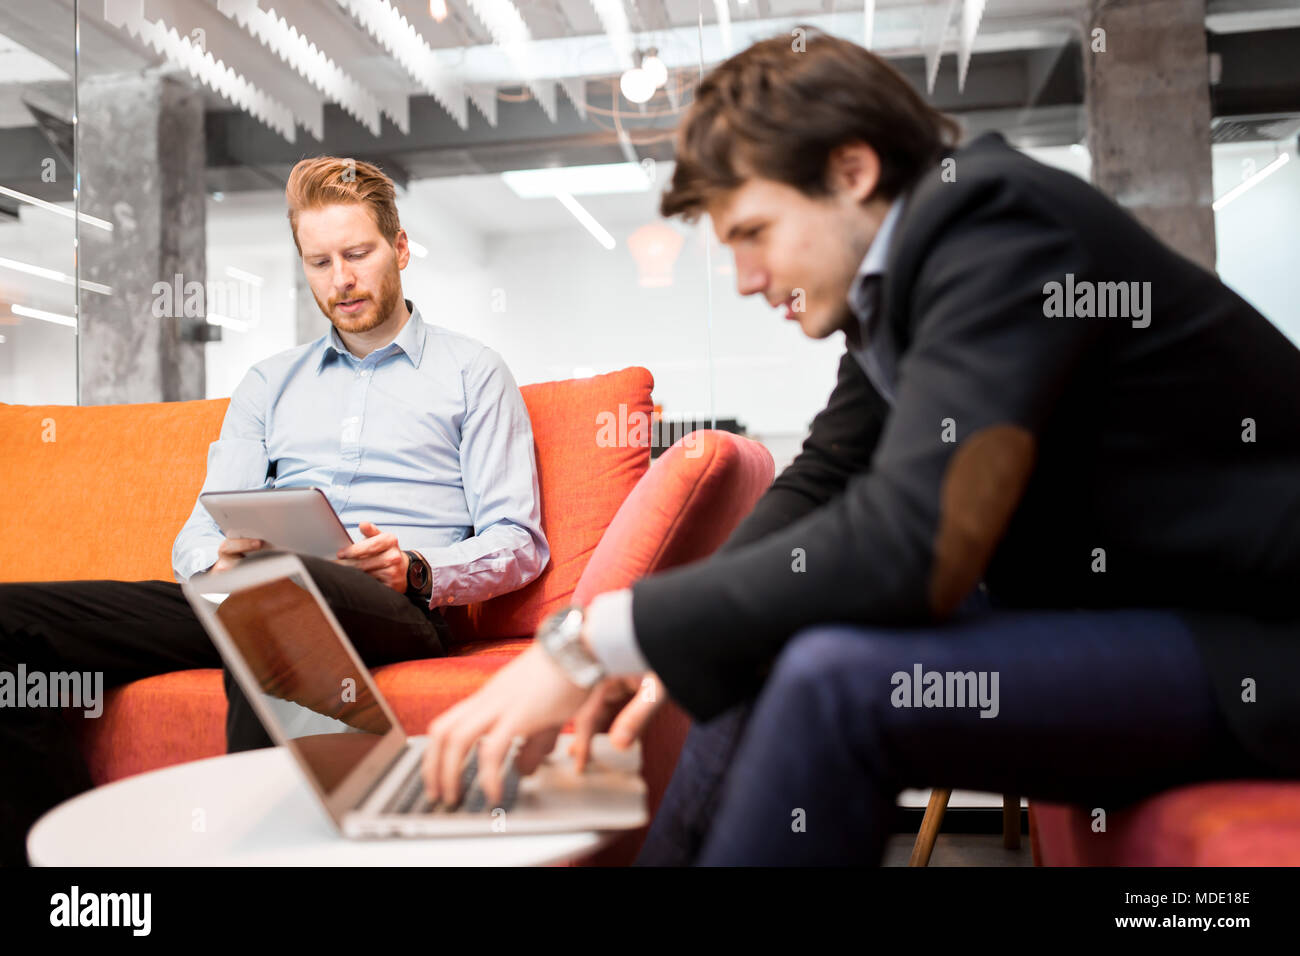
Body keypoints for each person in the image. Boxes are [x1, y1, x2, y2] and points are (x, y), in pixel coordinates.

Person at [419, 30, 1300, 865]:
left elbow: (916, 541)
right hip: (1143, 615)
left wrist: (594, 644)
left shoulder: (998, 223)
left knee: (833, 680)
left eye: (754, 234)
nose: (749, 279)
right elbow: (830, 475)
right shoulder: (909, 275)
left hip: (1257, 641)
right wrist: (670, 644)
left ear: (851, 170)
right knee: (772, 646)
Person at [0, 156, 548, 866]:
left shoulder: (474, 373)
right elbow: (200, 528)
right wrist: (218, 558)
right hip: (253, 591)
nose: (340, 279)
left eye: (357, 254)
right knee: (12, 623)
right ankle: (65, 864)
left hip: (391, 607)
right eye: (319, 262)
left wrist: (415, 568)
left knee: (274, 585)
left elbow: (519, 541)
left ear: (401, 248)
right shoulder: (267, 383)